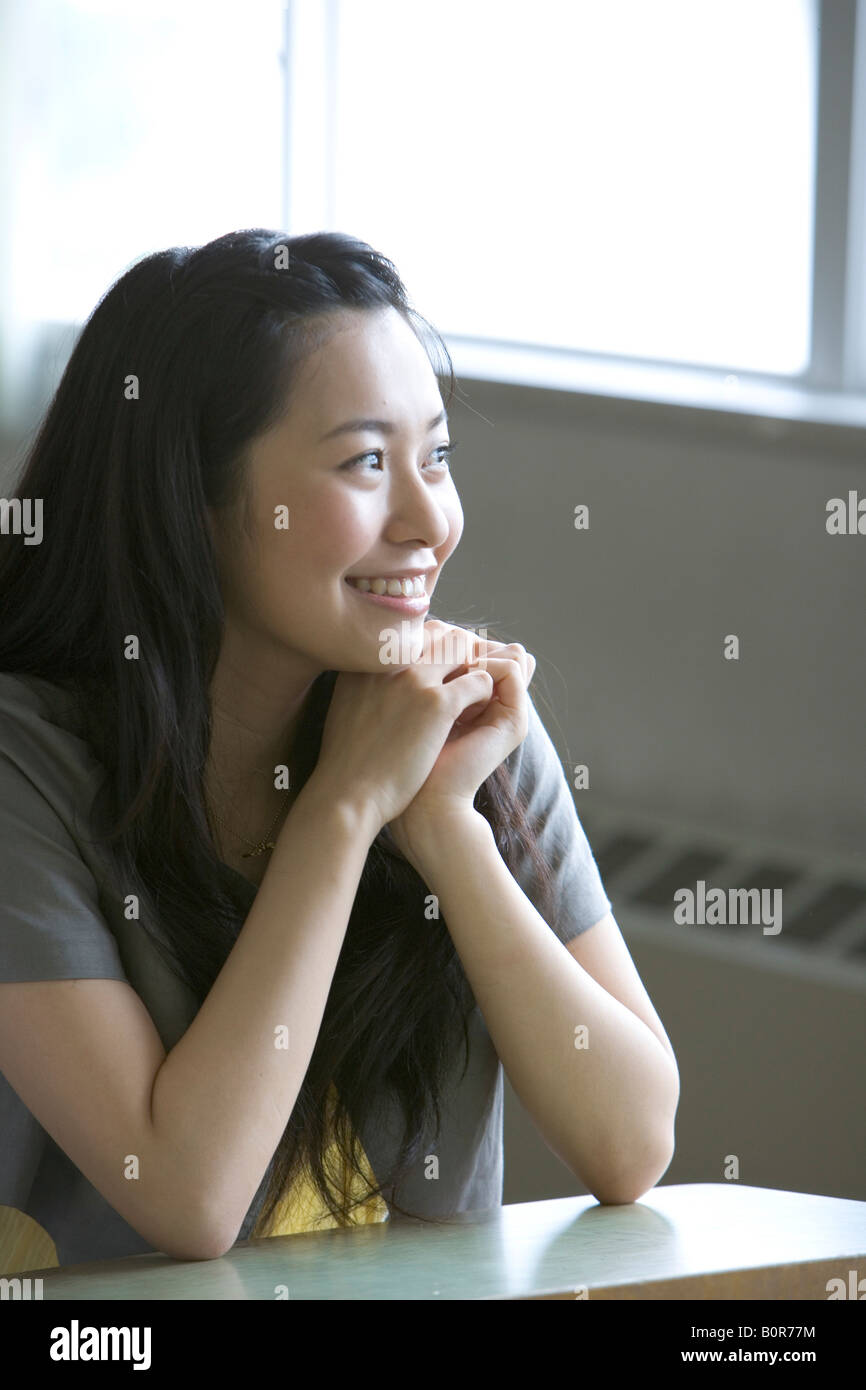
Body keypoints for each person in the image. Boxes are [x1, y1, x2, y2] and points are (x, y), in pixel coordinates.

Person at [0, 230, 679, 1276]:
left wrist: (446, 830)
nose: (429, 520)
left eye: (437, 456)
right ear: (193, 498)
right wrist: (345, 807)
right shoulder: (23, 767)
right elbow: (183, 1195)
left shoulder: (465, 722)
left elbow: (630, 1142)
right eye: (365, 461)